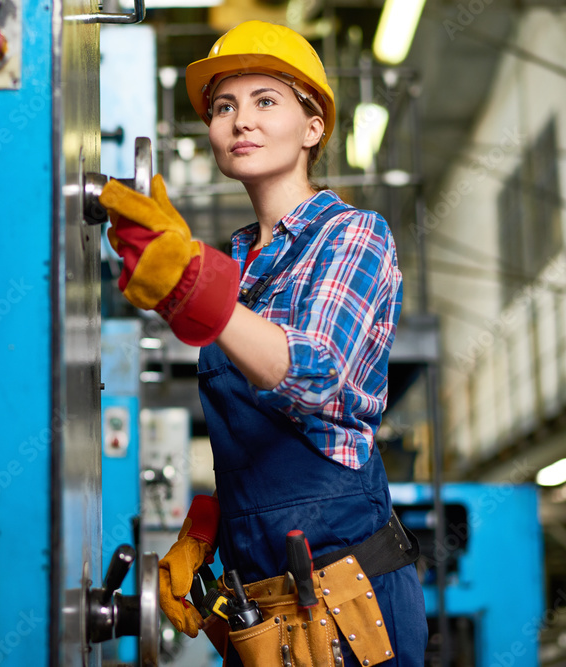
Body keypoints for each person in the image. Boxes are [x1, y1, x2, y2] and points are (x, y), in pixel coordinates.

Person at [97, 20, 428, 667]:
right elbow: (266, 434)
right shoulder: (239, 266)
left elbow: (317, 372)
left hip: (347, 610)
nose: (239, 120)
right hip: (262, 611)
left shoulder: (356, 235)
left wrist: (197, 285)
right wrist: (210, 523)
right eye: (224, 106)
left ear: (313, 128)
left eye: (264, 100)